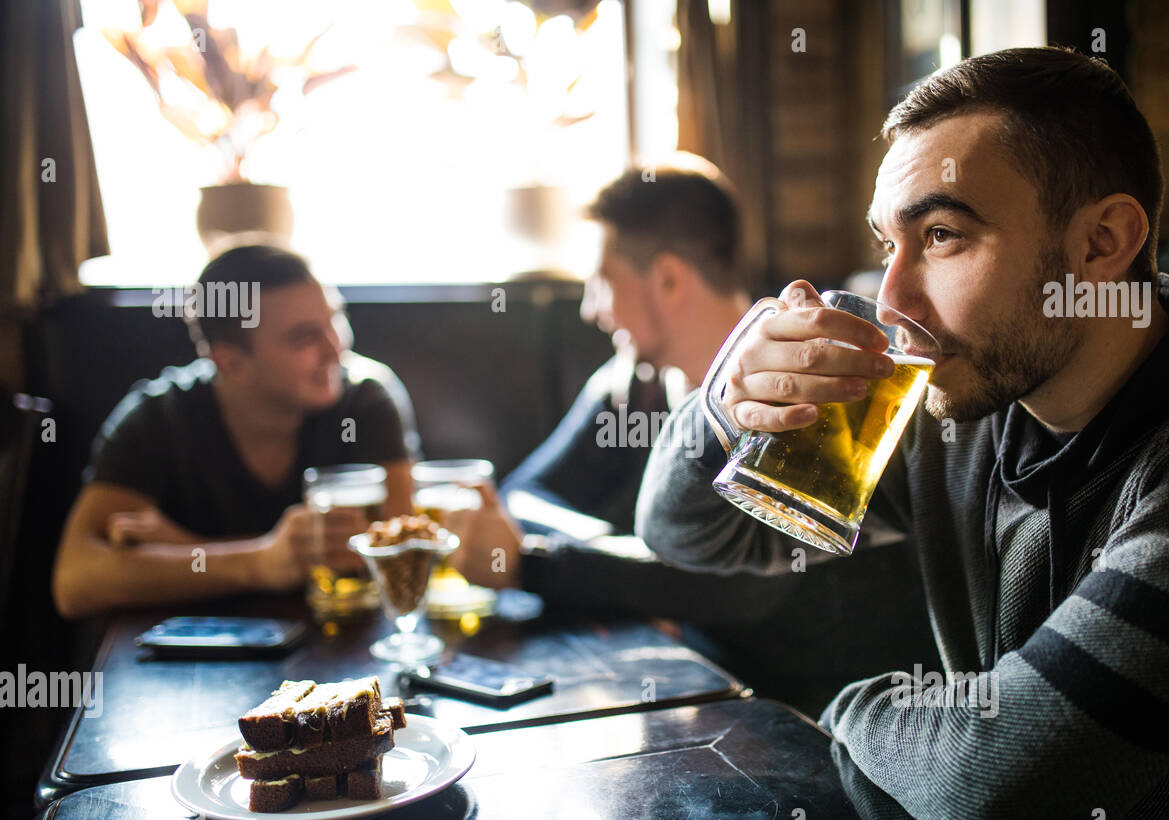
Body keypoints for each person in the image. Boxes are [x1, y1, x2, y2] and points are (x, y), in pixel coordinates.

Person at [634, 47, 1169, 820]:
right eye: (889, 245)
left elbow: (997, 782)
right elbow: (684, 533)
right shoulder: (967, 406)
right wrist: (725, 403)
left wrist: (847, 710)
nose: (893, 301)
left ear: (1104, 242)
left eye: (942, 235)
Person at [446, 160, 937, 714]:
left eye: (601, 283)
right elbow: (527, 495)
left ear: (668, 279)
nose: (591, 310)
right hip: (686, 689)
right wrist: (634, 566)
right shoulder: (629, 385)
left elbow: (742, 585)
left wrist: (542, 565)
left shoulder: (809, 392)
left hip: (812, 712)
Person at [52, 245, 420, 619]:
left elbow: (406, 556)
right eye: (304, 338)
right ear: (231, 362)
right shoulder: (158, 418)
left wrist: (187, 548)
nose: (335, 347)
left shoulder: (366, 401)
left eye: (335, 320)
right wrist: (260, 562)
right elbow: (75, 581)